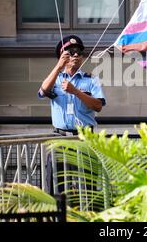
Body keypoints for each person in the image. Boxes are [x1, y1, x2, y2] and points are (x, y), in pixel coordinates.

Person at [38, 35, 106, 196]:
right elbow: (42, 91)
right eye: (71, 52)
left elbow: (98, 105)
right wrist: (58, 67)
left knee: (87, 184)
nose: (76, 55)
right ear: (62, 55)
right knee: (56, 185)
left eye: (79, 52)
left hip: (84, 138)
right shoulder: (55, 79)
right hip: (59, 137)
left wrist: (75, 91)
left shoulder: (90, 80)